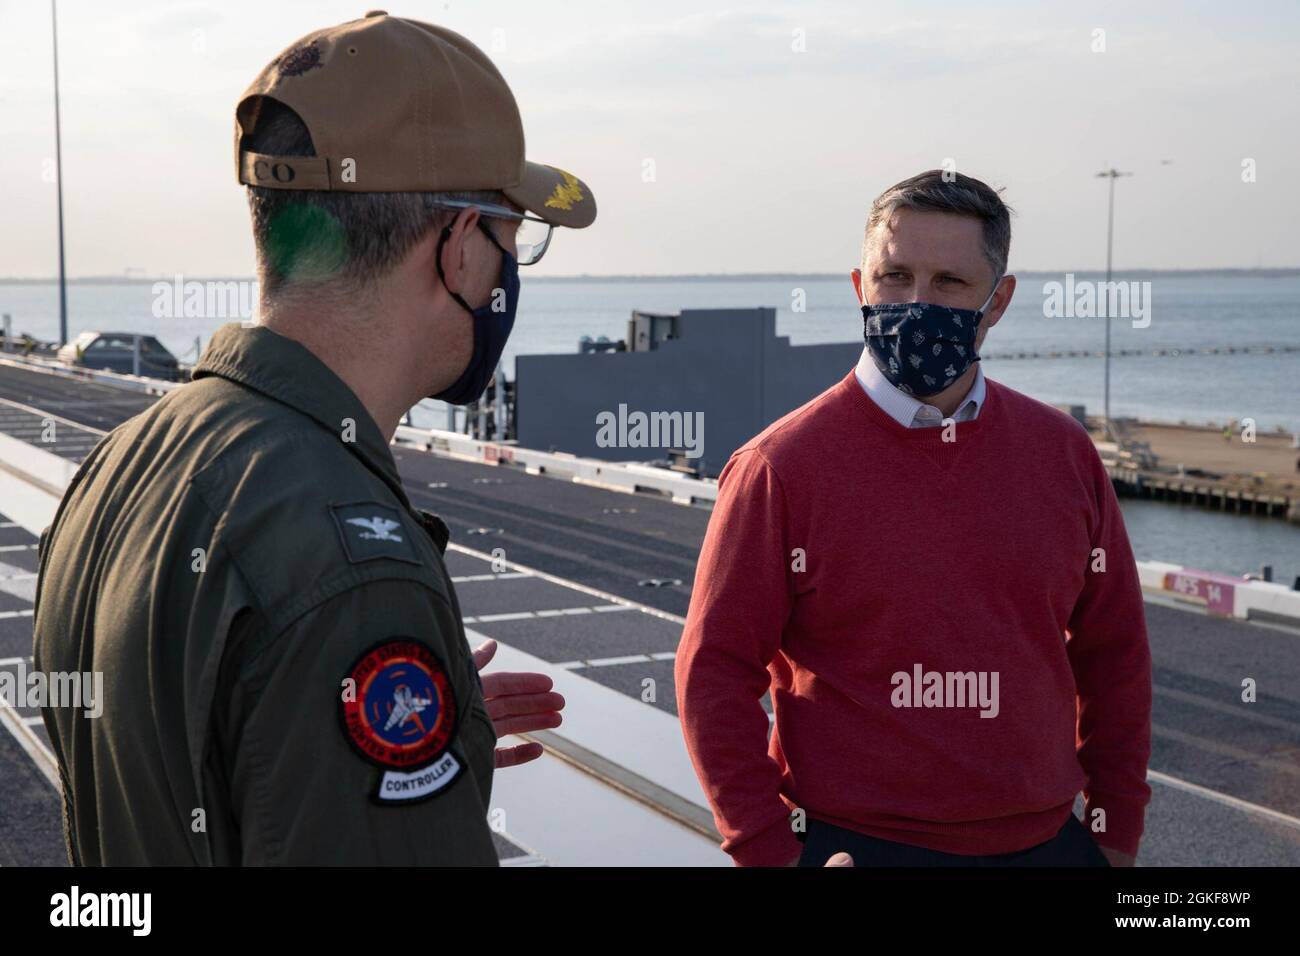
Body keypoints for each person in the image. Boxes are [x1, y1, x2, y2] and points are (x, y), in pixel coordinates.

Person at [32, 11, 596, 865]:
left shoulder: (124, 462)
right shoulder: (356, 577)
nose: (508, 273)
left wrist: (409, 723)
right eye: (511, 235)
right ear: (456, 250)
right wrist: (360, 657)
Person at [675, 170, 1151, 867]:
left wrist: (1113, 834)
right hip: (858, 850)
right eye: (894, 276)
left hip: (1052, 848)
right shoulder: (780, 468)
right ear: (859, 286)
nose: (916, 302)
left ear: (998, 300)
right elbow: (712, 673)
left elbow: (1114, 655)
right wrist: (771, 850)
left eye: (949, 283)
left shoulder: (1063, 454)